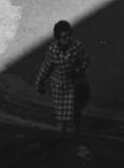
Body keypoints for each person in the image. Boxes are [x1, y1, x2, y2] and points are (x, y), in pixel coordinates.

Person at [35, 20, 91, 152]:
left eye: (68, 35)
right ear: (58, 37)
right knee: (62, 118)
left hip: (76, 85)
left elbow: (86, 59)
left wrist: (78, 70)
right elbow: (46, 68)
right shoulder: (53, 50)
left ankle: (77, 130)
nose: (67, 39)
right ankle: (61, 142)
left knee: (76, 111)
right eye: (63, 37)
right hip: (61, 87)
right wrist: (39, 83)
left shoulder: (77, 46)